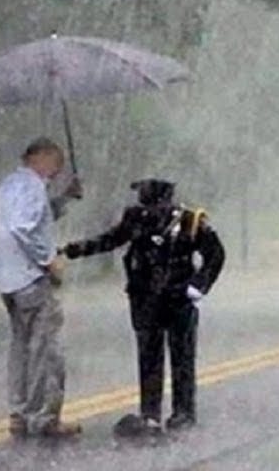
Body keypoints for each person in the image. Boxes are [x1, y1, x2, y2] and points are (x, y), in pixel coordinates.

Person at [59, 178, 225, 435]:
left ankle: (183, 412)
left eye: (144, 193)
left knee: (180, 357)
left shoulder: (190, 220)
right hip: (145, 298)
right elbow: (111, 239)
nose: (141, 198)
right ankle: (151, 413)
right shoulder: (136, 218)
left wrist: (198, 285)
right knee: (150, 357)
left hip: (178, 298)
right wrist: (74, 250)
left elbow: (215, 254)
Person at [0, 137, 83, 440]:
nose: (57, 171)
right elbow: (22, 226)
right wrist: (48, 260)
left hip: (7, 279)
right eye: (57, 163)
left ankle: (18, 413)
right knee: (46, 350)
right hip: (30, 278)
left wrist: (63, 199)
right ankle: (43, 417)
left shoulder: (10, 184)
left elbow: (35, 218)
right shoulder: (32, 185)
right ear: (40, 156)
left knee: (21, 348)